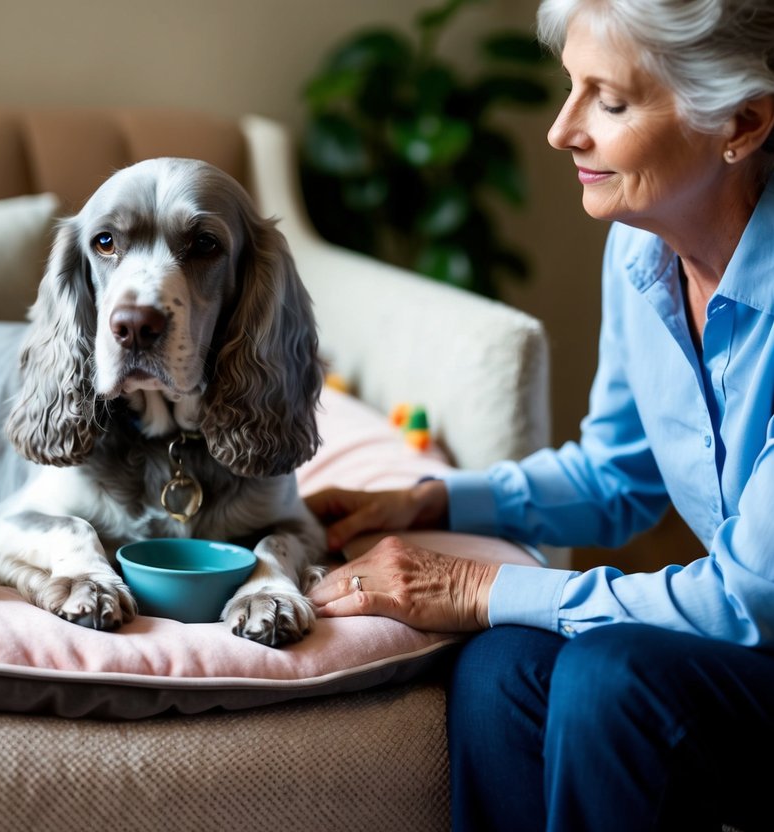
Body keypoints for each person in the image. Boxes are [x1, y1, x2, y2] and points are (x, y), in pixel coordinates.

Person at [304, 0, 774, 829]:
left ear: (740, 121)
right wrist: (429, 501)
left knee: (611, 678)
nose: (561, 131)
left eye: (610, 101)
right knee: (502, 668)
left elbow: (743, 600)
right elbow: (616, 478)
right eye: (569, 88)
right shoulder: (641, 250)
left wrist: (473, 583)